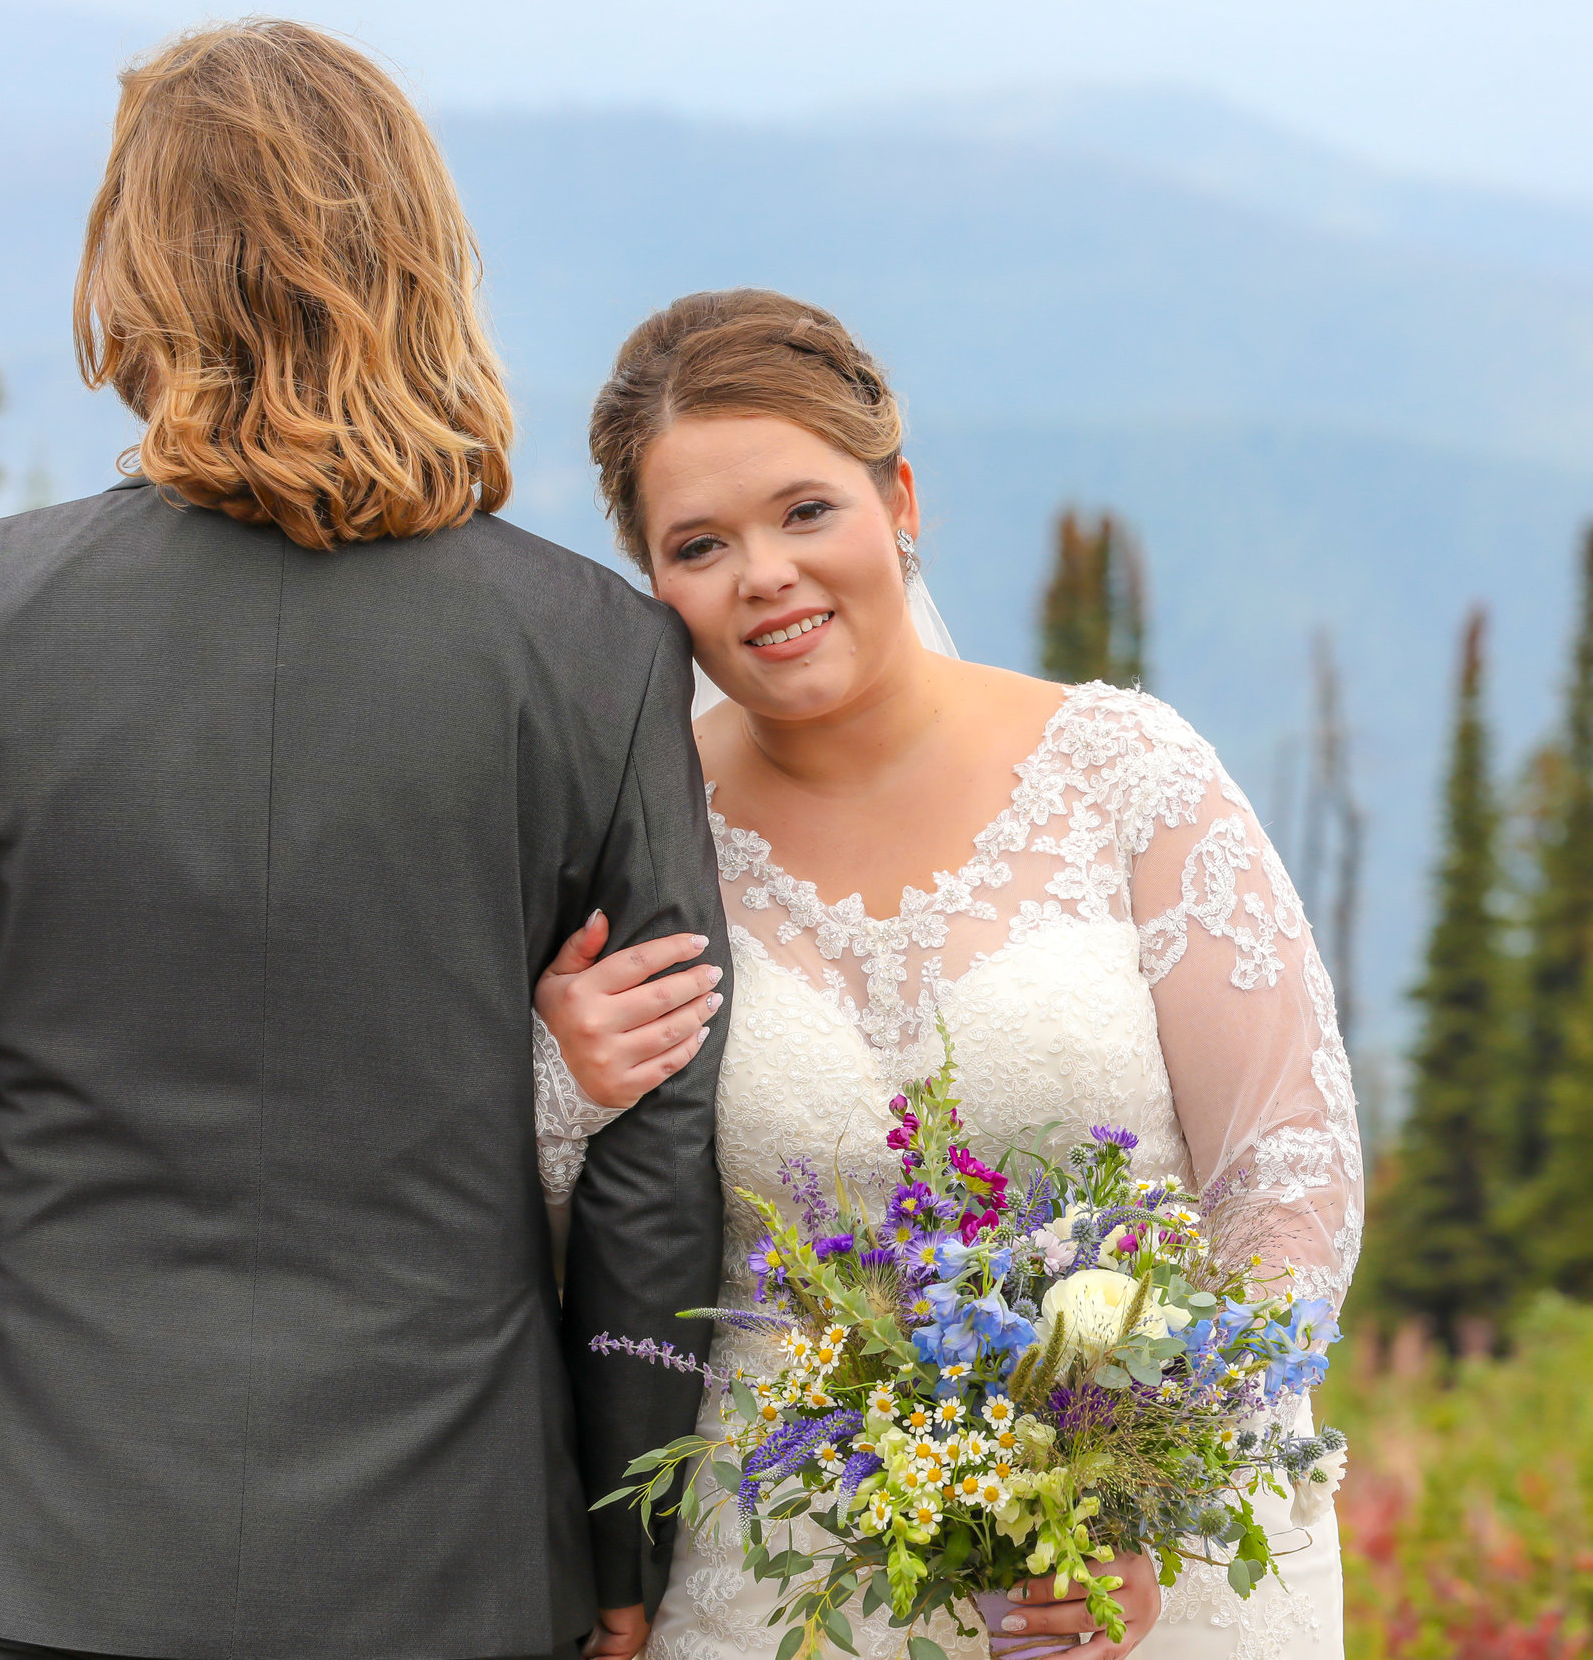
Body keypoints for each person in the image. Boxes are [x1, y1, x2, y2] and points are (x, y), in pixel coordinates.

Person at [0, 20, 725, 1660]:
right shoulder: (598, 652)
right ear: (419, 256)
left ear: (135, 270)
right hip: (461, 1569)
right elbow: (652, 1151)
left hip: (31, 1555)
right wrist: (626, 1526)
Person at [532, 289, 1363, 1660]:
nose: (765, 575)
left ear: (899, 498)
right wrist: (561, 1080)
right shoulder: (641, 851)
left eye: (807, 511)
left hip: (1145, 1582)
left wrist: (1142, 1487)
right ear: (653, 584)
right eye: (700, 544)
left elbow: (1283, 1178)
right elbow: (566, 1250)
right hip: (785, 1579)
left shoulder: (1124, 777)